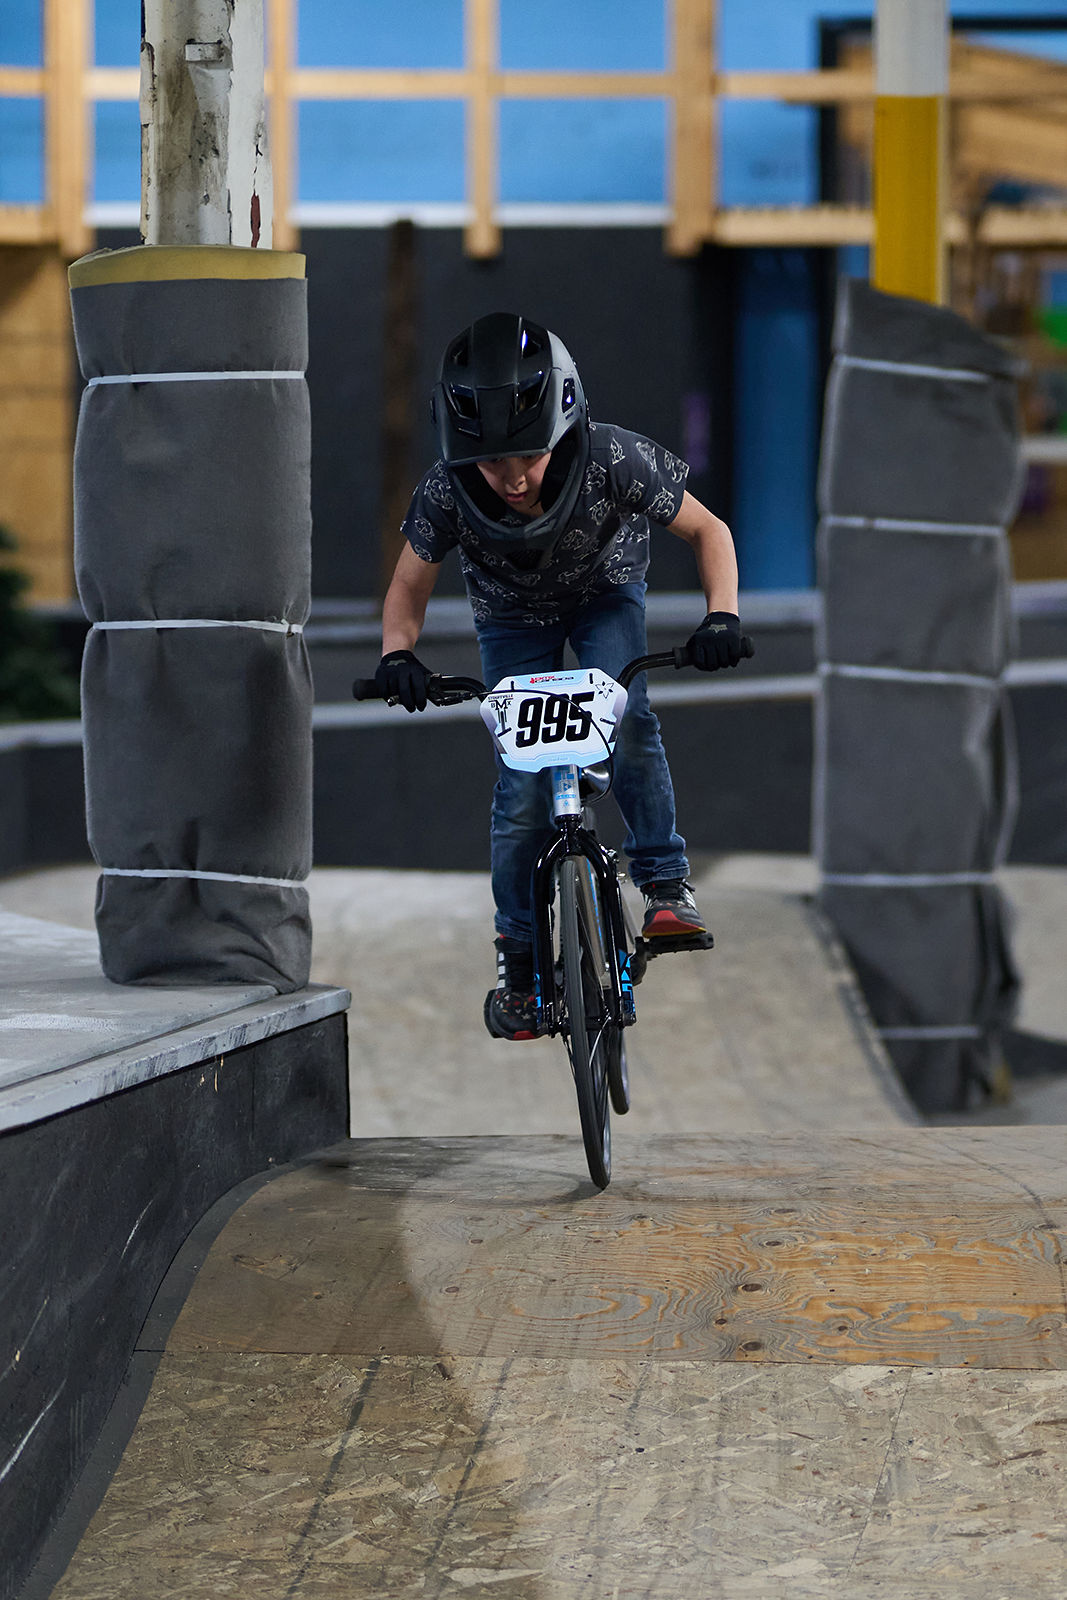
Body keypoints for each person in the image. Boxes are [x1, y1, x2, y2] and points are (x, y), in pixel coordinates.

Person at [375, 312, 744, 1041]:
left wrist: (721, 617)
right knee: (519, 792)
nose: (511, 479)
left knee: (627, 716)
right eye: (491, 464)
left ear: (564, 432)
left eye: (529, 457)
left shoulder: (613, 458)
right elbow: (406, 588)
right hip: (511, 620)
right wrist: (397, 655)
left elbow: (710, 531)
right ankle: (519, 963)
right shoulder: (445, 492)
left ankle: (664, 883)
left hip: (604, 593)